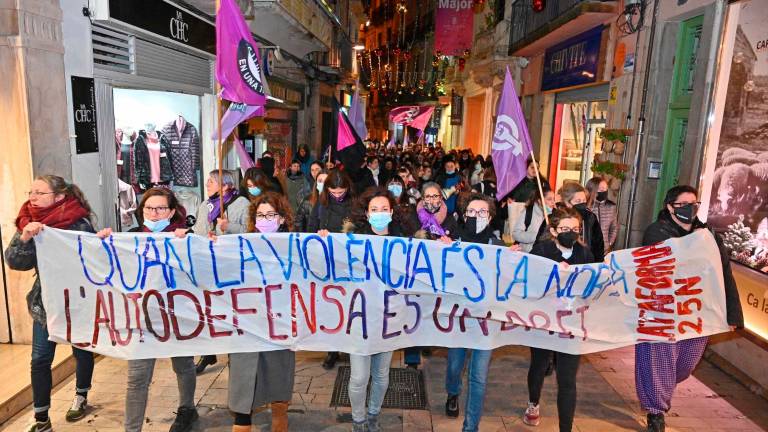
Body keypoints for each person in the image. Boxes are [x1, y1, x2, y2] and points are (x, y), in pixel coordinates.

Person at [636, 185, 743, 432]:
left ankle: (656, 390)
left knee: (684, 364)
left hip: (696, 312)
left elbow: (724, 274)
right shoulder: (656, 232)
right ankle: (655, 411)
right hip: (662, 312)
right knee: (658, 360)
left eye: (693, 204)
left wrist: (732, 312)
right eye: (683, 204)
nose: (689, 208)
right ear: (670, 207)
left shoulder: (710, 237)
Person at [95, 188, 198, 432]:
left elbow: (203, 266)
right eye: (149, 208)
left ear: (172, 212)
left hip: (177, 314)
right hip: (141, 318)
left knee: (183, 365)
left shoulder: (184, 238)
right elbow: (109, 265)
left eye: (160, 208)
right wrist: (102, 242)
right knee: (137, 378)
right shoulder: (130, 238)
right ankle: (132, 429)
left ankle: (187, 409)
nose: (154, 214)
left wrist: (194, 242)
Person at [5, 175, 97, 432]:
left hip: (76, 301)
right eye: (31, 191)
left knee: (81, 351)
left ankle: (81, 396)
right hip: (45, 305)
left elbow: (92, 261)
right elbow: (15, 262)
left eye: (39, 192)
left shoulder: (79, 223)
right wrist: (24, 238)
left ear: (59, 197)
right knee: (40, 359)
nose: (32, 197)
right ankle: (41, 418)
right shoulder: (28, 223)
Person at [523, 207, 594, 432]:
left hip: (571, 323)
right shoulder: (541, 251)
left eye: (575, 229)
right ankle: (533, 402)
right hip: (544, 321)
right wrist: (553, 272)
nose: (571, 233)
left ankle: (566, 427)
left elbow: (590, 286)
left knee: (567, 378)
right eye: (565, 228)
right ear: (554, 231)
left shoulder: (584, 254)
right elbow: (529, 281)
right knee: (539, 365)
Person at [229, 192, 296, 432]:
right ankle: (242, 420)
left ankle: (279, 411)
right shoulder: (240, 243)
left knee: (279, 366)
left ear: (281, 218)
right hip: (247, 316)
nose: (265, 219)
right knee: (242, 368)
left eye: (270, 215)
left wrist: (323, 241)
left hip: (280, 319)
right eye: (260, 215)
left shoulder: (295, 245)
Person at [444, 193, 507, 432]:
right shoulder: (453, 242)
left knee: (478, 376)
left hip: (485, 320)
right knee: (454, 365)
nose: (476, 216)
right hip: (459, 317)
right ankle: (452, 391)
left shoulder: (498, 247)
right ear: (463, 214)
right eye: (472, 211)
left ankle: (471, 427)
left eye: (482, 212)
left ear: (490, 218)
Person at [343, 188, 399, 432]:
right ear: (366, 214)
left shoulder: (404, 242)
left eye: (383, 209)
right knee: (358, 377)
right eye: (374, 210)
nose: (379, 213)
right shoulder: (352, 241)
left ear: (391, 212)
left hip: (389, 318)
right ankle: (358, 420)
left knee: (382, 375)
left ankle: (373, 414)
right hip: (360, 318)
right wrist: (325, 239)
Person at [193, 170, 251, 374]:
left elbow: (251, 231)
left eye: (212, 181)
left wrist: (230, 226)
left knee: (229, 311)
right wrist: (201, 234)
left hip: (231, 266)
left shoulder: (242, 204)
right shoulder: (205, 204)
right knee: (208, 309)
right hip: (208, 265)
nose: (207, 184)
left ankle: (234, 352)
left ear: (225, 185)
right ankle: (207, 352)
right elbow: (198, 231)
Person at [308, 169, 354, 369]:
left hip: (348, 263)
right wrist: (317, 236)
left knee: (350, 306)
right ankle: (332, 350)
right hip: (326, 261)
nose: (337, 196)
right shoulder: (322, 203)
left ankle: (352, 348)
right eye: (333, 192)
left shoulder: (354, 204)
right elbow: (311, 226)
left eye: (341, 192)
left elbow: (359, 231)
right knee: (332, 307)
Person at [536, 182, 604, 262]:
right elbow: (540, 244)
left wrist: (598, 264)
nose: (582, 204)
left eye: (584, 201)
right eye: (578, 201)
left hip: (583, 263)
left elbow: (598, 246)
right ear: (566, 202)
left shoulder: (590, 217)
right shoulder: (552, 218)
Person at [513, 187, 555, 252]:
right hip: (528, 252)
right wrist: (536, 236)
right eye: (549, 199)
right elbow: (516, 234)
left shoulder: (555, 214)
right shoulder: (529, 212)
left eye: (554, 199)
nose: (553, 202)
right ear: (539, 201)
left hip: (546, 253)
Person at [585, 177, 618, 253]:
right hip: (587, 249)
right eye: (600, 188)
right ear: (592, 189)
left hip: (604, 250)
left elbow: (614, 228)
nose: (604, 191)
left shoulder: (611, 206)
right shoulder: (585, 206)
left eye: (605, 188)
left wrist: (609, 243)